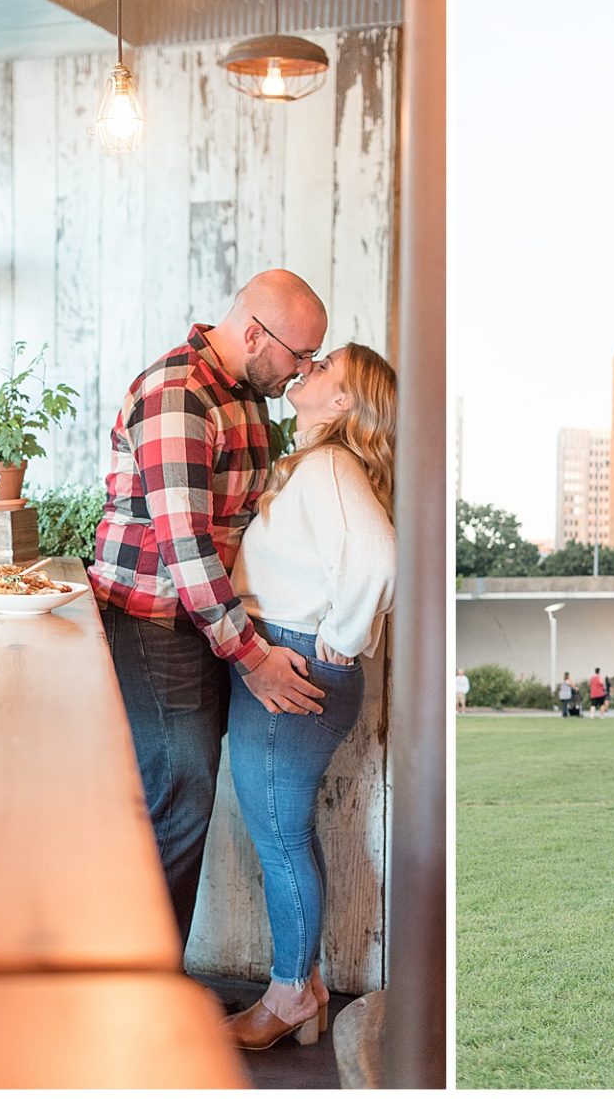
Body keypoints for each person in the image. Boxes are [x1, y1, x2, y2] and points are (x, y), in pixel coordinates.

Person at [90, 270, 328, 953]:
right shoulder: (177, 396)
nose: (302, 369)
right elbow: (186, 549)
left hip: (201, 627)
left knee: (184, 802)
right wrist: (253, 660)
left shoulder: (244, 394)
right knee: (176, 804)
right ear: (253, 333)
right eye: (299, 354)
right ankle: (145, 1004)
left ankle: (148, 990)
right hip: (153, 624)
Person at [222, 343, 397, 1050]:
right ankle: (308, 985)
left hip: (290, 665)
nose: (309, 368)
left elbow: (380, 558)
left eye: (327, 368)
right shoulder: (322, 464)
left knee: (281, 841)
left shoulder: (328, 465)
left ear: (343, 403)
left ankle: (291, 993)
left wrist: (347, 635)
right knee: (289, 837)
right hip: (288, 658)